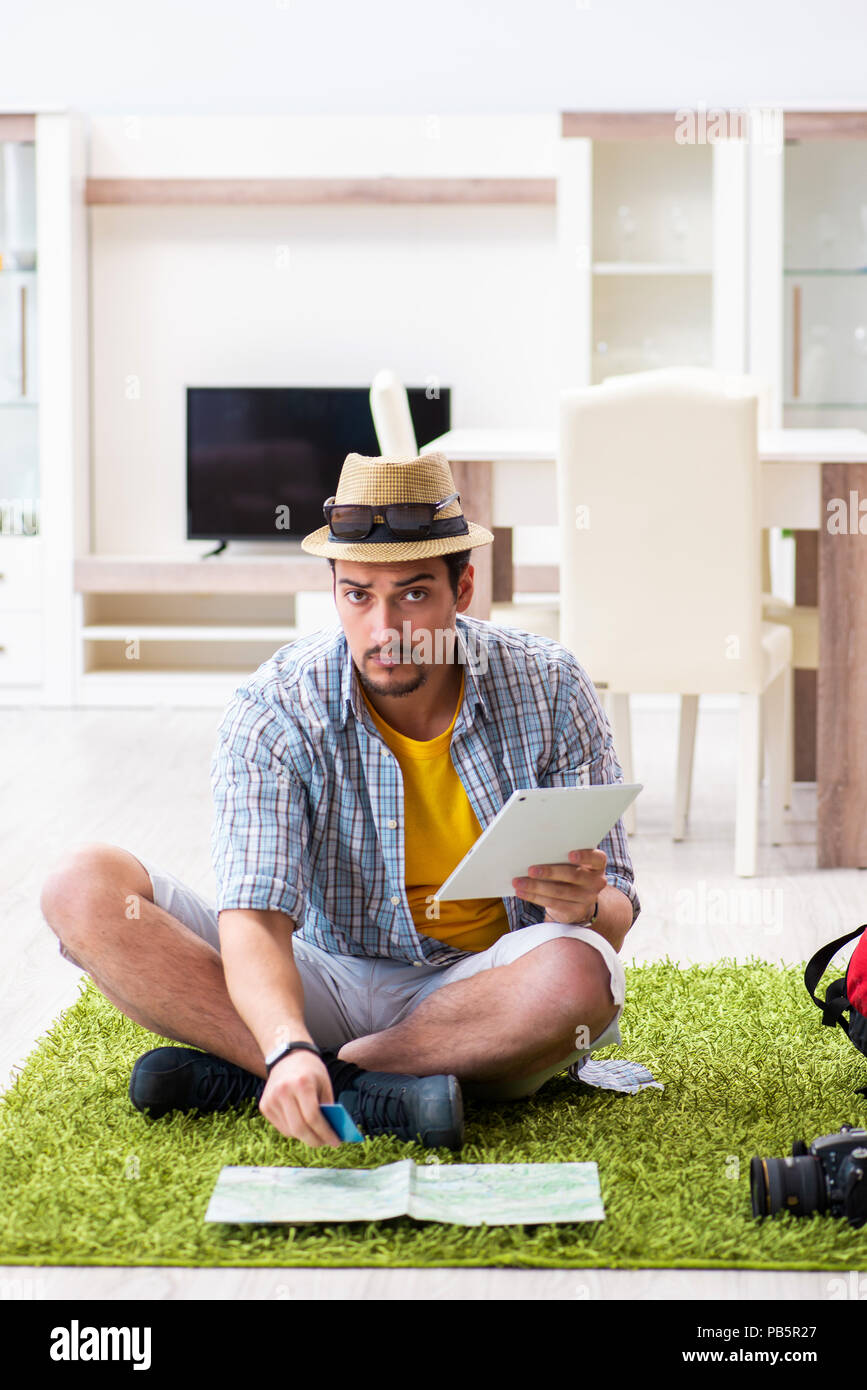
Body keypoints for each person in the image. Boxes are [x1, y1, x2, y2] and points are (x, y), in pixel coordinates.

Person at [40, 450, 640, 1151]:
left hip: (485, 985)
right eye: (358, 595)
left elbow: (615, 914)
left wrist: (584, 905)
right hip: (318, 975)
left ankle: (278, 1076)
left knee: (580, 972)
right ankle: (351, 1081)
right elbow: (256, 919)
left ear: (463, 588)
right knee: (80, 886)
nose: (383, 629)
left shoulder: (548, 684)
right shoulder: (277, 707)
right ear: (335, 593)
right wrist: (288, 1039)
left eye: (413, 595)